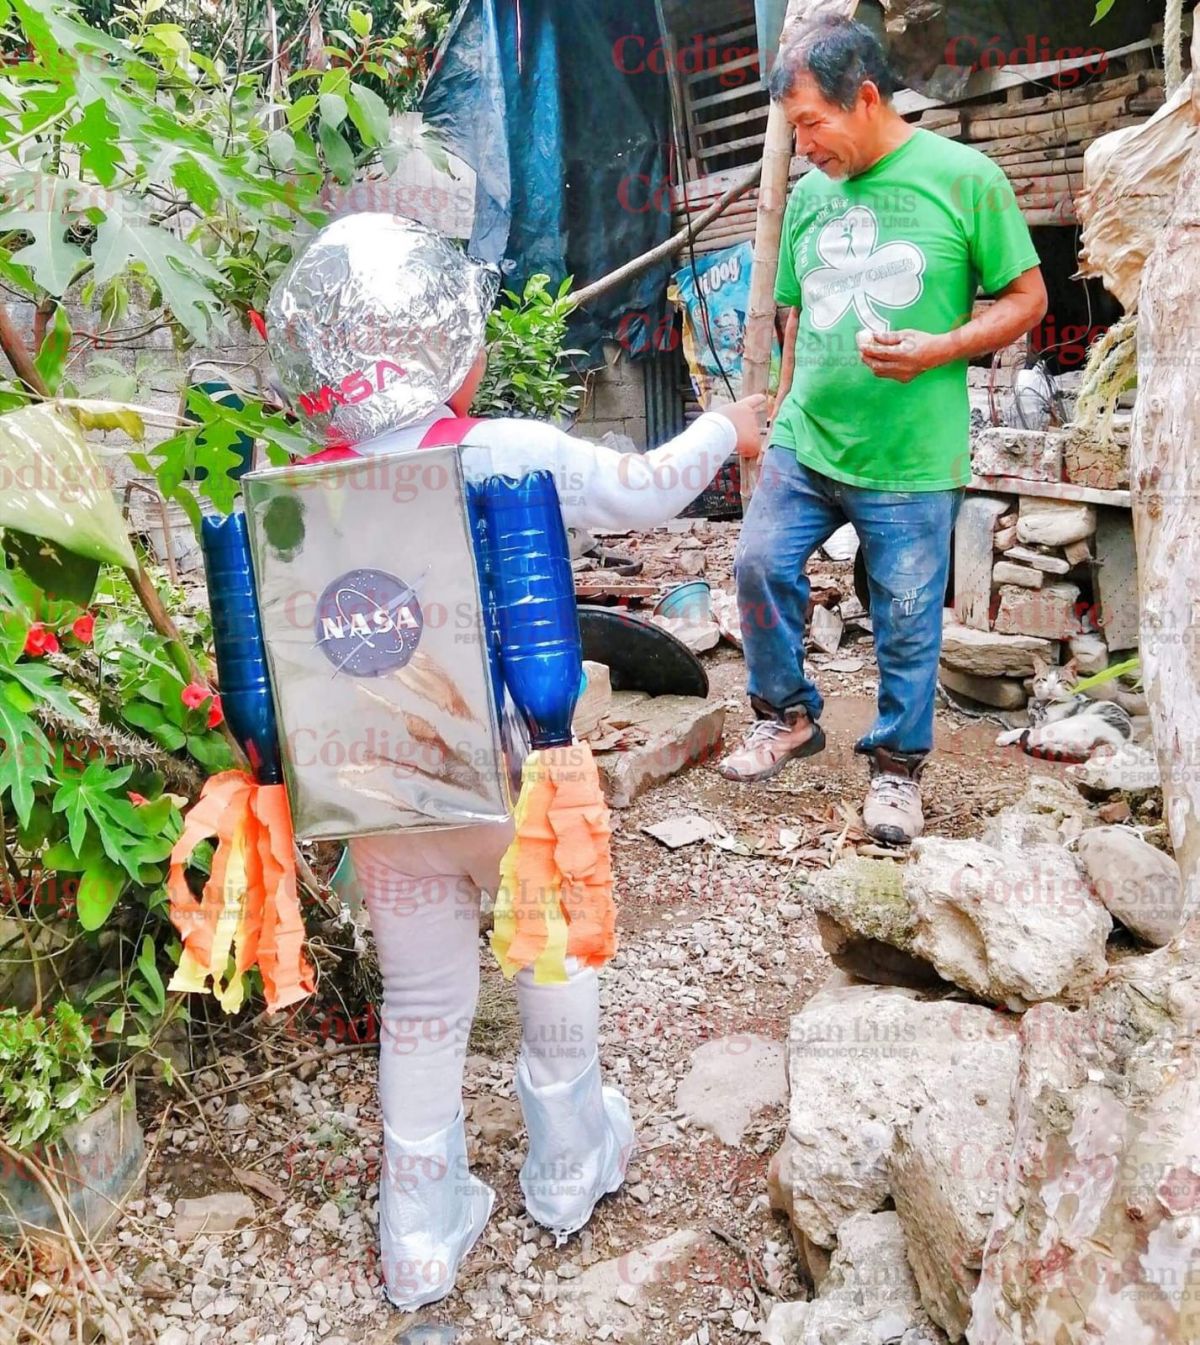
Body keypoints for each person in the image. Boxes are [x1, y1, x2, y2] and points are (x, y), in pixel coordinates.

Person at [261, 214, 766, 1311]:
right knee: (551, 955)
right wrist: (725, 425)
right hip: (518, 778)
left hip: (379, 790)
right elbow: (646, 487)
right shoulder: (507, 450)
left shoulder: (286, 482)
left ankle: (419, 1233)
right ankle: (570, 1165)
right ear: (452, 349)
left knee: (423, 999)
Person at [718, 17, 1047, 846]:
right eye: (794, 131)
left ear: (865, 97)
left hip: (911, 455)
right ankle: (786, 715)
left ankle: (897, 767)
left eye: (811, 125)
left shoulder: (966, 178)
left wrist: (940, 347)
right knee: (758, 565)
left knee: (904, 614)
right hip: (808, 435)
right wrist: (781, 403)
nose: (803, 148)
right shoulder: (809, 195)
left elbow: (1028, 300)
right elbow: (794, 310)